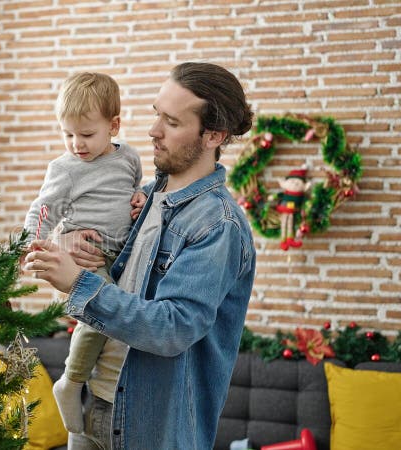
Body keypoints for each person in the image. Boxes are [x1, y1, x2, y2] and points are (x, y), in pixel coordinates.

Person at [23, 62, 256, 449]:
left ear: (214, 135)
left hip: (148, 427)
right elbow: (118, 274)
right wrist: (67, 242)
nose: (153, 130)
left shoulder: (218, 225)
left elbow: (173, 328)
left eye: (172, 122)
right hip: (92, 404)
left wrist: (79, 284)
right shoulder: (142, 199)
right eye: (155, 115)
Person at [22, 72, 146, 440]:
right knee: (98, 311)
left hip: (119, 255)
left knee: (112, 314)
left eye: (86, 135)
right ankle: (71, 381)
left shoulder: (129, 158)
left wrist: (139, 199)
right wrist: (35, 243)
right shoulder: (65, 169)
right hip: (88, 257)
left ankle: (77, 382)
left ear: (114, 126)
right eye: (68, 134)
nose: (76, 144)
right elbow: (42, 210)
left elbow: (131, 190)